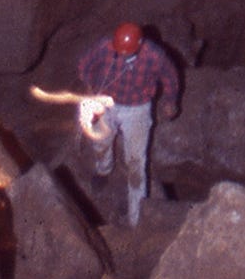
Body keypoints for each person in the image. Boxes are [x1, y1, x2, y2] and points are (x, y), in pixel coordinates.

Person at [76, 21, 181, 226]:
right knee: (100, 142)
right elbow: (84, 64)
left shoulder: (153, 55)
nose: (123, 56)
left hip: (137, 108)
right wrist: (91, 89)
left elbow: (170, 76)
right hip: (106, 102)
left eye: (127, 53)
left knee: (136, 162)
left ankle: (136, 218)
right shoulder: (105, 47)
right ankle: (104, 169)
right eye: (120, 52)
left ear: (139, 45)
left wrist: (171, 100)